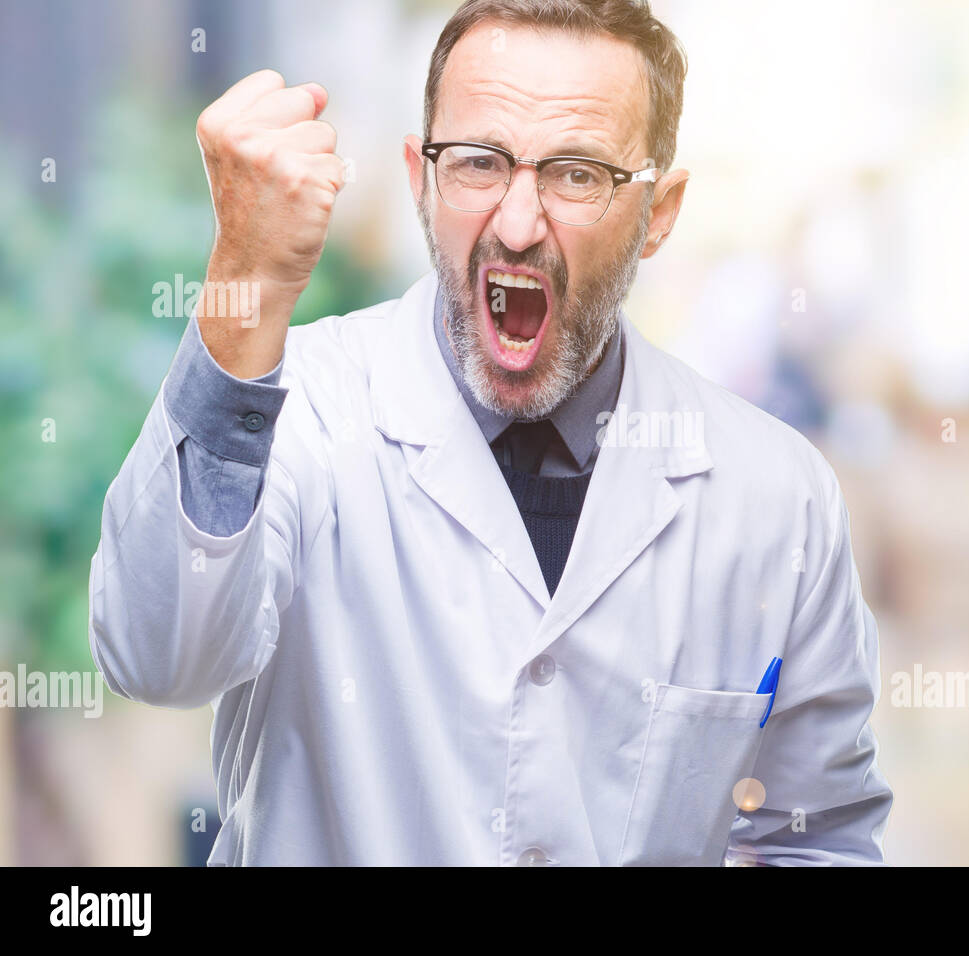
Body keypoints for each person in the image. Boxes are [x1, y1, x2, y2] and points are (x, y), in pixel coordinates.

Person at [88, 0, 892, 866]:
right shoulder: (301, 415)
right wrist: (245, 276)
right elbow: (156, 656)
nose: (516, 224)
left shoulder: (775, 494)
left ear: (659, 213)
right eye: (477, 163)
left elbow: (815, 835)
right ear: (420, 180)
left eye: (577, 173)